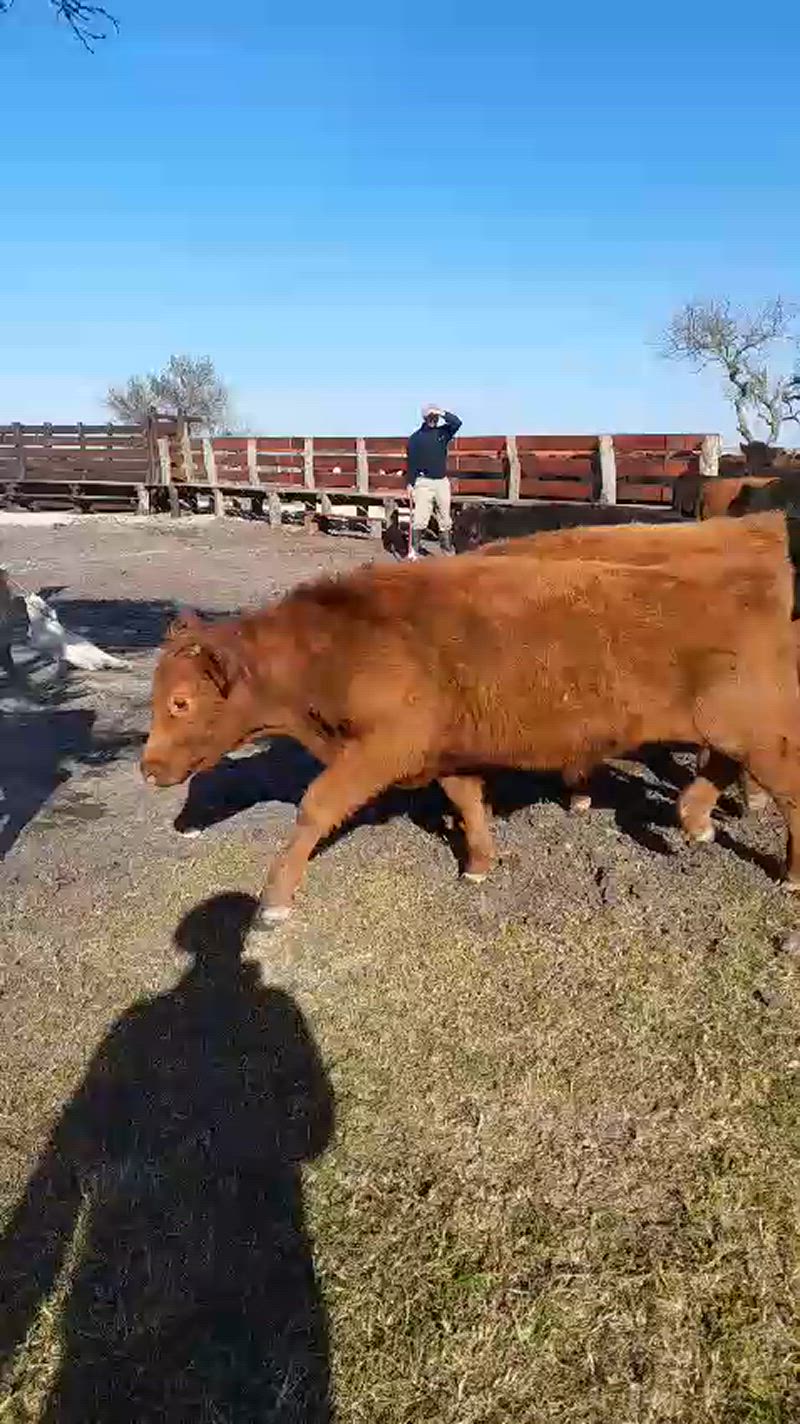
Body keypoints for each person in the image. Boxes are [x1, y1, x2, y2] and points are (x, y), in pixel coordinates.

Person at [406, 405, 462, 559]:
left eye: (435, 417)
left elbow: (457, 423)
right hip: (423, 483)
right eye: (430, 417)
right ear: (424, 418)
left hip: (442, 482)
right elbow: (411, 463)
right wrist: (410, 484)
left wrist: (442, 412)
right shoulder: (415, 438)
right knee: (420, 519)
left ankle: (446, 549)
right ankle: (414, 551)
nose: (433, 419)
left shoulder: (443, 433)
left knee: (445, 518)